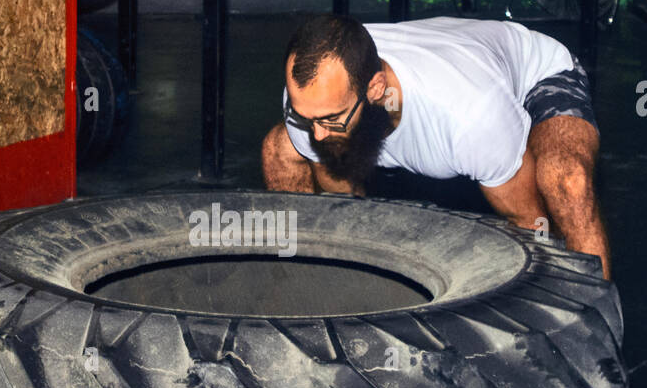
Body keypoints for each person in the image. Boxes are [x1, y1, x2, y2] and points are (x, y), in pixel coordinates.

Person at [261, 14, 613, 279]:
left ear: (375, 89)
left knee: (565, 179)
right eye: (308, 118)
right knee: (280, 149)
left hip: (536, 74)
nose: (317, 134)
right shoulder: (313, 102)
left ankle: (596, 337)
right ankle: (301, 283)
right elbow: (340, 195)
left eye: (330, 120)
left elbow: (530, 221)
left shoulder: (470, 116)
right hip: (461, 56)